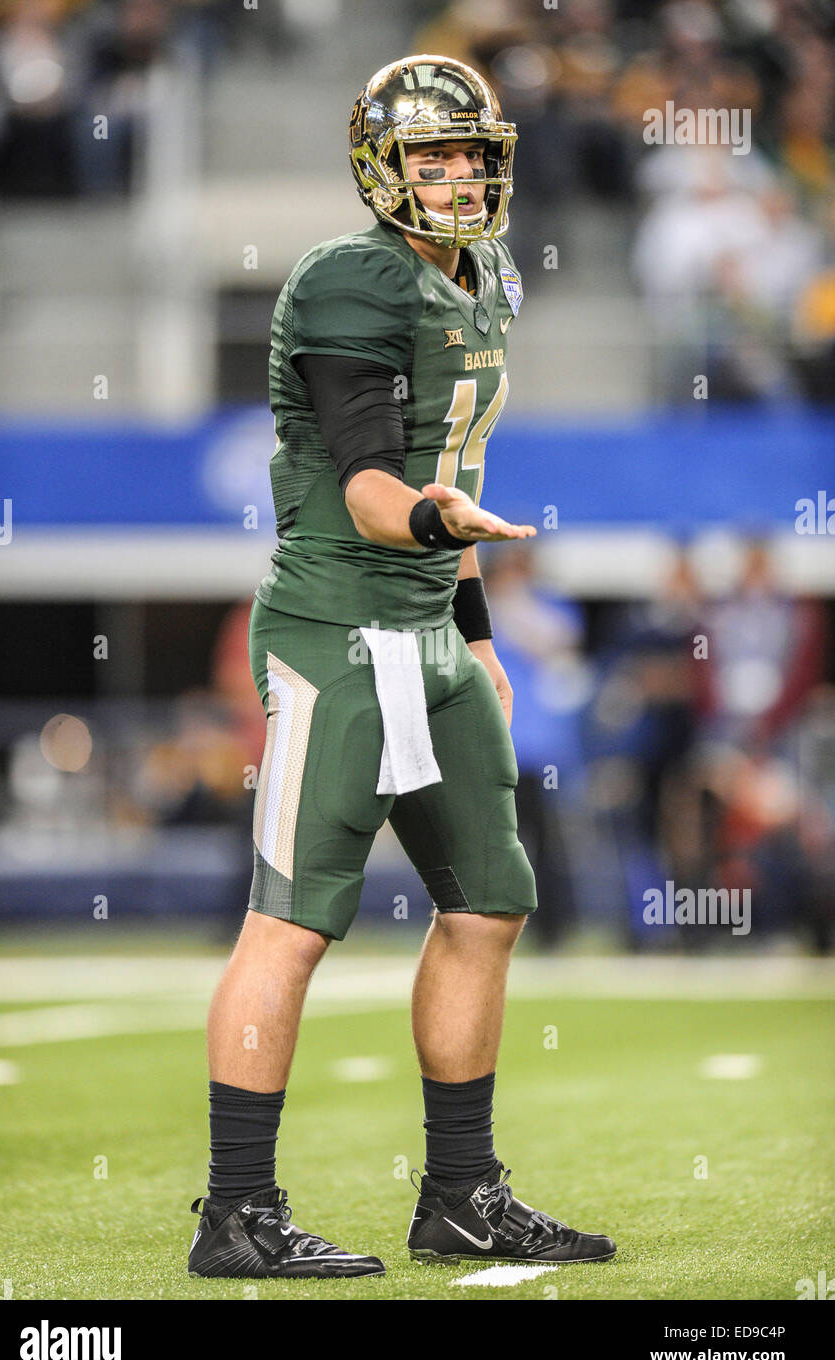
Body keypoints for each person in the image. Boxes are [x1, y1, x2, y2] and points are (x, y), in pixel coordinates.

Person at [187, 53, 616, 1280]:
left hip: (430, 628)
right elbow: (382, 488)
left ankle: (463, 1196)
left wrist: (476, 635)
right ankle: (235, 1213)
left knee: (489, 901)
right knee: (294, 922)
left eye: (472, 153)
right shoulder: (350, 279)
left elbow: (453, 479)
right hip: (337, 630)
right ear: (384, 164)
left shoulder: (482, 278)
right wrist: (440, 535)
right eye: (433, 154)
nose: (458, 174)